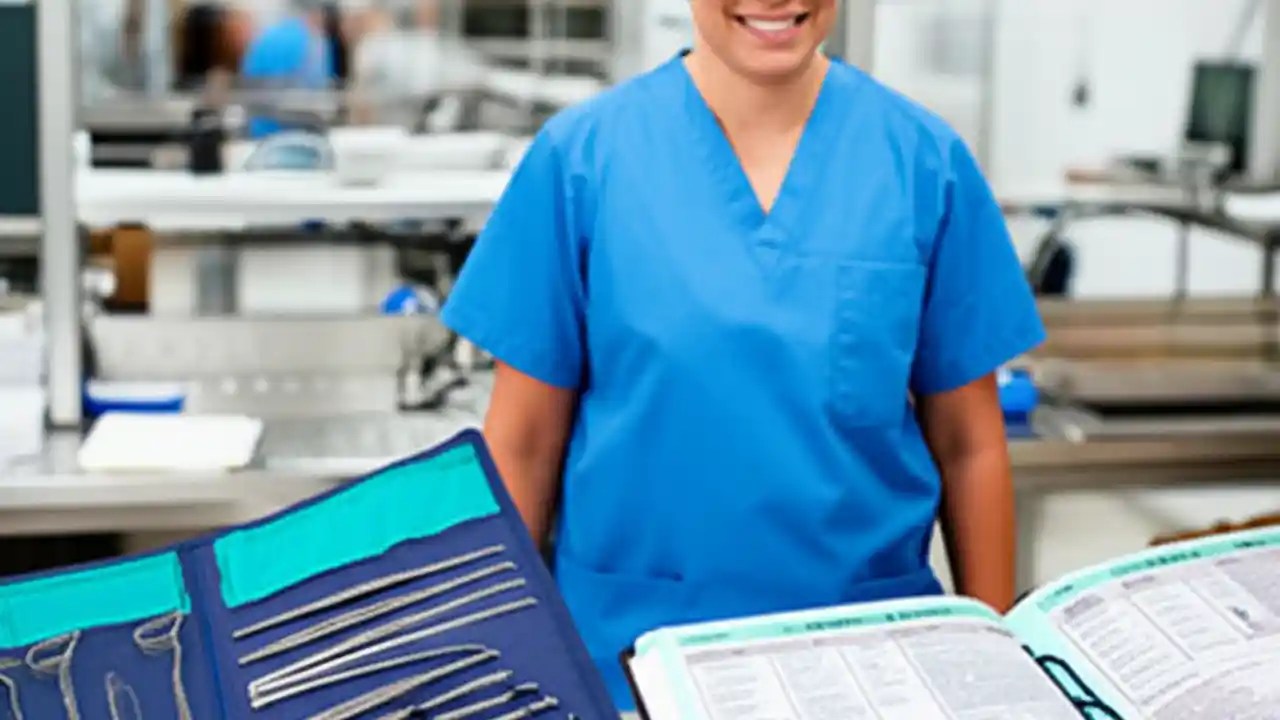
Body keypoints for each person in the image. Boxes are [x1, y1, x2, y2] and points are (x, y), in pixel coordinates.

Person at [441, 0, 1045, 710]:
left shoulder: (922, 162)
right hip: (630, 665)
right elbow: (524, 443)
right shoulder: (582, 161)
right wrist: (508, 676)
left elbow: (969, 442)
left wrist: (996, 676)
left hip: (866, 667)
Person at [239, 0, 337, 138]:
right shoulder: (312, 40)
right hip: (294, 134)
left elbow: (248, 81)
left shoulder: (265, 37)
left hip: (260, 131)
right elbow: (316, 90)